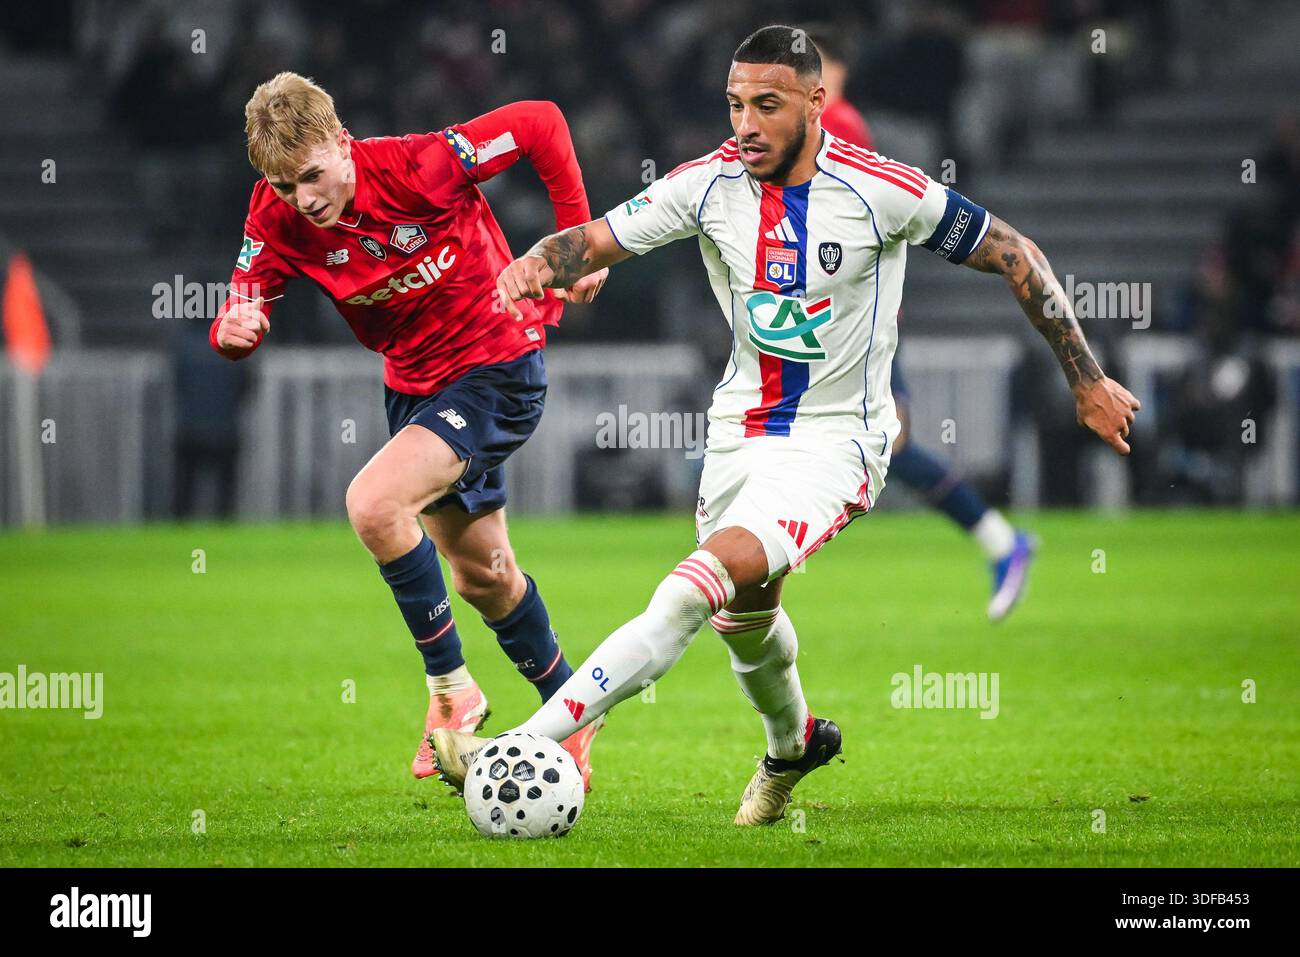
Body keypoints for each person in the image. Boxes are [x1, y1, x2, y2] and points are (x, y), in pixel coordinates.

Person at [433, 25, 1140, 824]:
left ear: (815, 101)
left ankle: (528, 741)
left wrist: (1086, 378)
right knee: (746, 618)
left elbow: (1015, 252)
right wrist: (537, 263)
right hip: (740, 432)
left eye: (766, 105)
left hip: (838, 441)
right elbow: (593, 240)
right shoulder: (708, 183)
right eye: (735, 105)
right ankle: (792, 744)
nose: (745, 124)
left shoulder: (882, 188)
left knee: (689, 591)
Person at [209, 73, 610, 787]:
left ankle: (453, 690)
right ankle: (572, 705)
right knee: (484, 575)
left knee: (373, 503)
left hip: (498, 366)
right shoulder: (277, 213)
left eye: (310, 175)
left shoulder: (422, 164)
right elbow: (244, 297)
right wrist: (235, 326)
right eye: (283, 184)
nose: (303, 198)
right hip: (416, 392)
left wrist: (576, 244)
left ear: (342, 142)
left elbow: (542, 120)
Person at [812, 29, 1036, 620]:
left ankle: (1000, 539)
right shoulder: (827, 122)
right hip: (831, 320)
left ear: (833, 71)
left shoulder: (836, 120)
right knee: (882, 444)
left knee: (887, 443)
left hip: (851, 323)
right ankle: (999, 539)